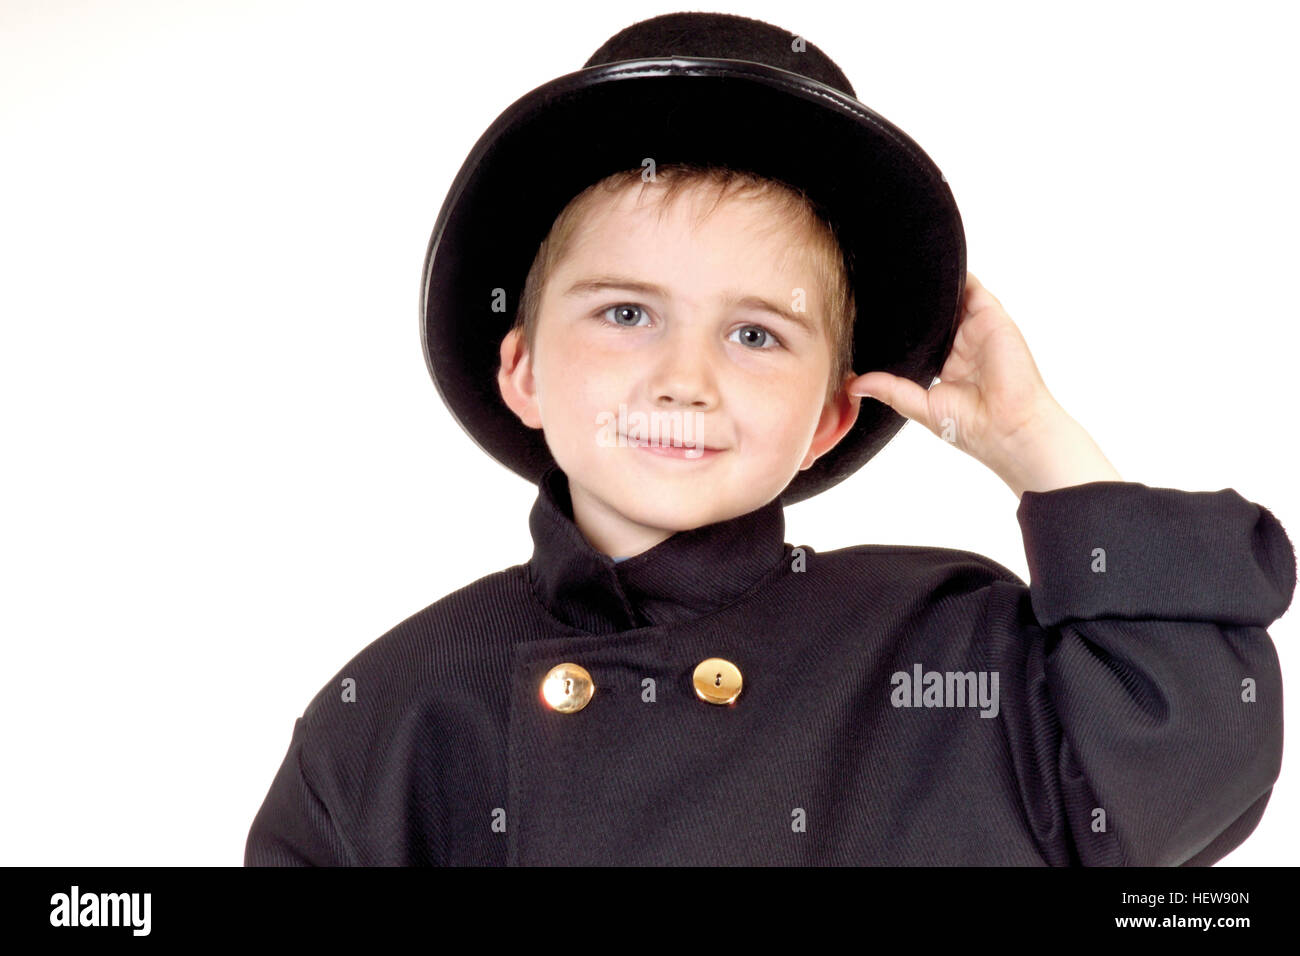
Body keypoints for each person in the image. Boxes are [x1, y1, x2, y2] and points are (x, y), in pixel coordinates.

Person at [244, 12, 1294, 866]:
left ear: (829, 417)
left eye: (755, 333)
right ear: (520, 369)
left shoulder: (949, 648)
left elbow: (1191, 741)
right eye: (624, 313)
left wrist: (1032, 439)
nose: (683, 378)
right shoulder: (394, 710)